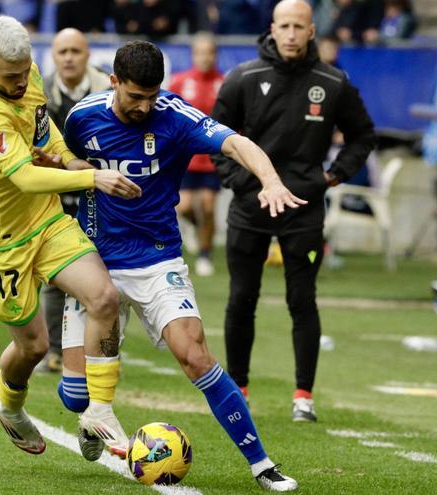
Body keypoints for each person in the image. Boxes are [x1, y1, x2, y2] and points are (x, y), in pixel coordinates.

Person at [59, 40, 304, 491]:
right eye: (135, 96)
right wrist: (86, 173)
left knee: (194, 354)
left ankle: (261, 464)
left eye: (153, 95)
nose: (145, 105)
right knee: (73, 396)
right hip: (94, 263)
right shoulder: (82, 116)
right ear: (113, 83)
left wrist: (269, 179)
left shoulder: (175, 115)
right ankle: (91, 415)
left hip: (157, 257)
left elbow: (235, 142)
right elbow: (57, 158)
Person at [0, 15, 142, 456]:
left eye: (26, 71)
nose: (22, 81)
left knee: (104, 298)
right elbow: (23, 176)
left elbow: (45, 130)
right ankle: (8, 403)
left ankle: (99, 411)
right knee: (34, 346)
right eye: (11, 76)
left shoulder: (28, 72)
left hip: (44, 219)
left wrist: (66, 157)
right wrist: (91, 178)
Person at [211, 0, 376, 422]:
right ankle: (239, 391)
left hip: (303, 208)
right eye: (283, 25)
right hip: (251, 205)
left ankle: (304, 396)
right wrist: (241, 182)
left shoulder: (333, 82)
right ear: (272, 28)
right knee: (241, 299)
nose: (290, 34)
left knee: (302, 301)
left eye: (298, 26)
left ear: (310, 32)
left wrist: (333, 176)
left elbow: (363, 135)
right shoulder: (244, 78)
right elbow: (214, 136)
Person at [35, 27, 112, 373]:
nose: (68, 57)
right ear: (53, 56)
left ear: (87, 54)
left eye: (75, 51)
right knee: (54, 276)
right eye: (62, 51)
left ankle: (104, 351)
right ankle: (55, 350)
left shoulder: (108, 93)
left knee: (106, 273)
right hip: (56, 192)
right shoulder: (37, 95)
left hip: (101, 193)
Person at [169, 33, 225, 277]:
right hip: (186, 157)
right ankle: (193, 228)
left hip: (212, 158)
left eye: (209, 52)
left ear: (215, 55)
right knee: (186, 207)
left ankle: (205, 254)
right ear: (193, 55)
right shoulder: (180, 82)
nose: (204, 57)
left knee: (209, 206)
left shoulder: (223, 83)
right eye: (200, 52)